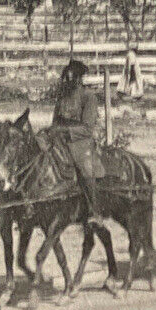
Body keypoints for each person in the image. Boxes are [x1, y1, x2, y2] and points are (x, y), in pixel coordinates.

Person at [49, 58, 104, 220]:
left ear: (79, 79)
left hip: (80, 142)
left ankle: (94, 210)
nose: (66, 81)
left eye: (70, 78)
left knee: (84, 168)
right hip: (59, 139)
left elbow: (87, 128)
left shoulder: (89, 97)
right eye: (65, 77)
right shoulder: (62, 97)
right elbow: (55, 121)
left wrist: (66, 132)